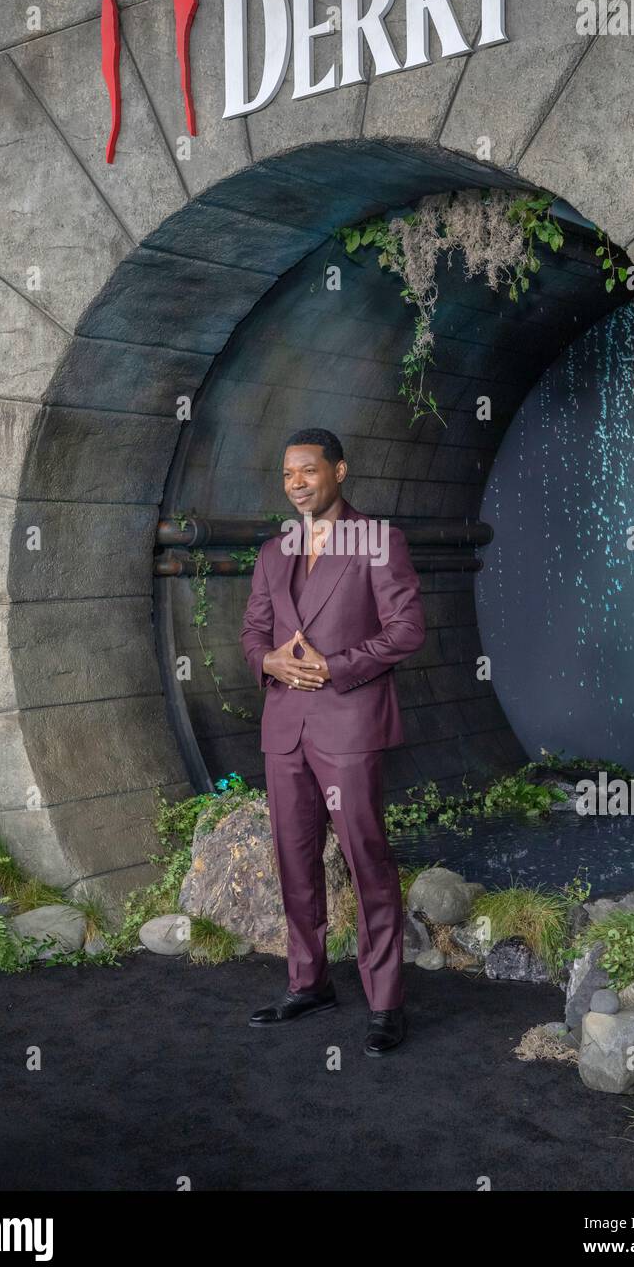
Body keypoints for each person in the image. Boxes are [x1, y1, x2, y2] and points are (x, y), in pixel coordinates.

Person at [240, 428, 426, 1056]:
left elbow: (406, 631)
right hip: (284, 728)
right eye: (287, 473)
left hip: (348, 724)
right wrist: (270, 663)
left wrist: (334, 666)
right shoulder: (273, 552)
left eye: (308, 471)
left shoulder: (378, 541)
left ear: (338, 470)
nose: (295, 482)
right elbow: (252, 635)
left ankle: (385, 1004)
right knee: (295, 863)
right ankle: (308, 981)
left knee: (366, 860)